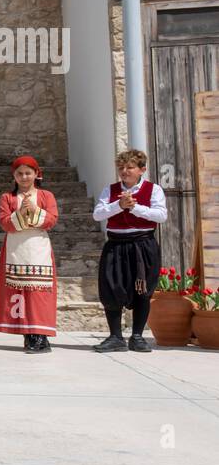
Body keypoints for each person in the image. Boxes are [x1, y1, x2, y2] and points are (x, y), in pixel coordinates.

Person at [92, 148, 167, 353]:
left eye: (130, 167)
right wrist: (119, 204)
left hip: (143, 245)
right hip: (116, 245)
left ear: (141, 169)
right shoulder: (111, 190)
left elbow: (160, 216)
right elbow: (98, 215)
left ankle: (137, 336)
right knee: (110, 288)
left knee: (142, 290)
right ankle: (115, 336)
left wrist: (135, 208)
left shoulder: (154, 190)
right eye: (121, 167)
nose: (124, 171)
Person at [0, 156, 59, 352]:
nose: (24, 177)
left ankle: (42, 336)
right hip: (17, 248)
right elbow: (4, 222)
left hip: (38, 247)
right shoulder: (7, 198)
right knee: (20, 293)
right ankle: (29, 335)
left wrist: (35, 210)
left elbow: (52, 220)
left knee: (39, 292)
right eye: (19, 173)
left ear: (37, 174)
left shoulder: (46, 196)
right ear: (14, 176)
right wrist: (20, 212)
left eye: (28, 173)